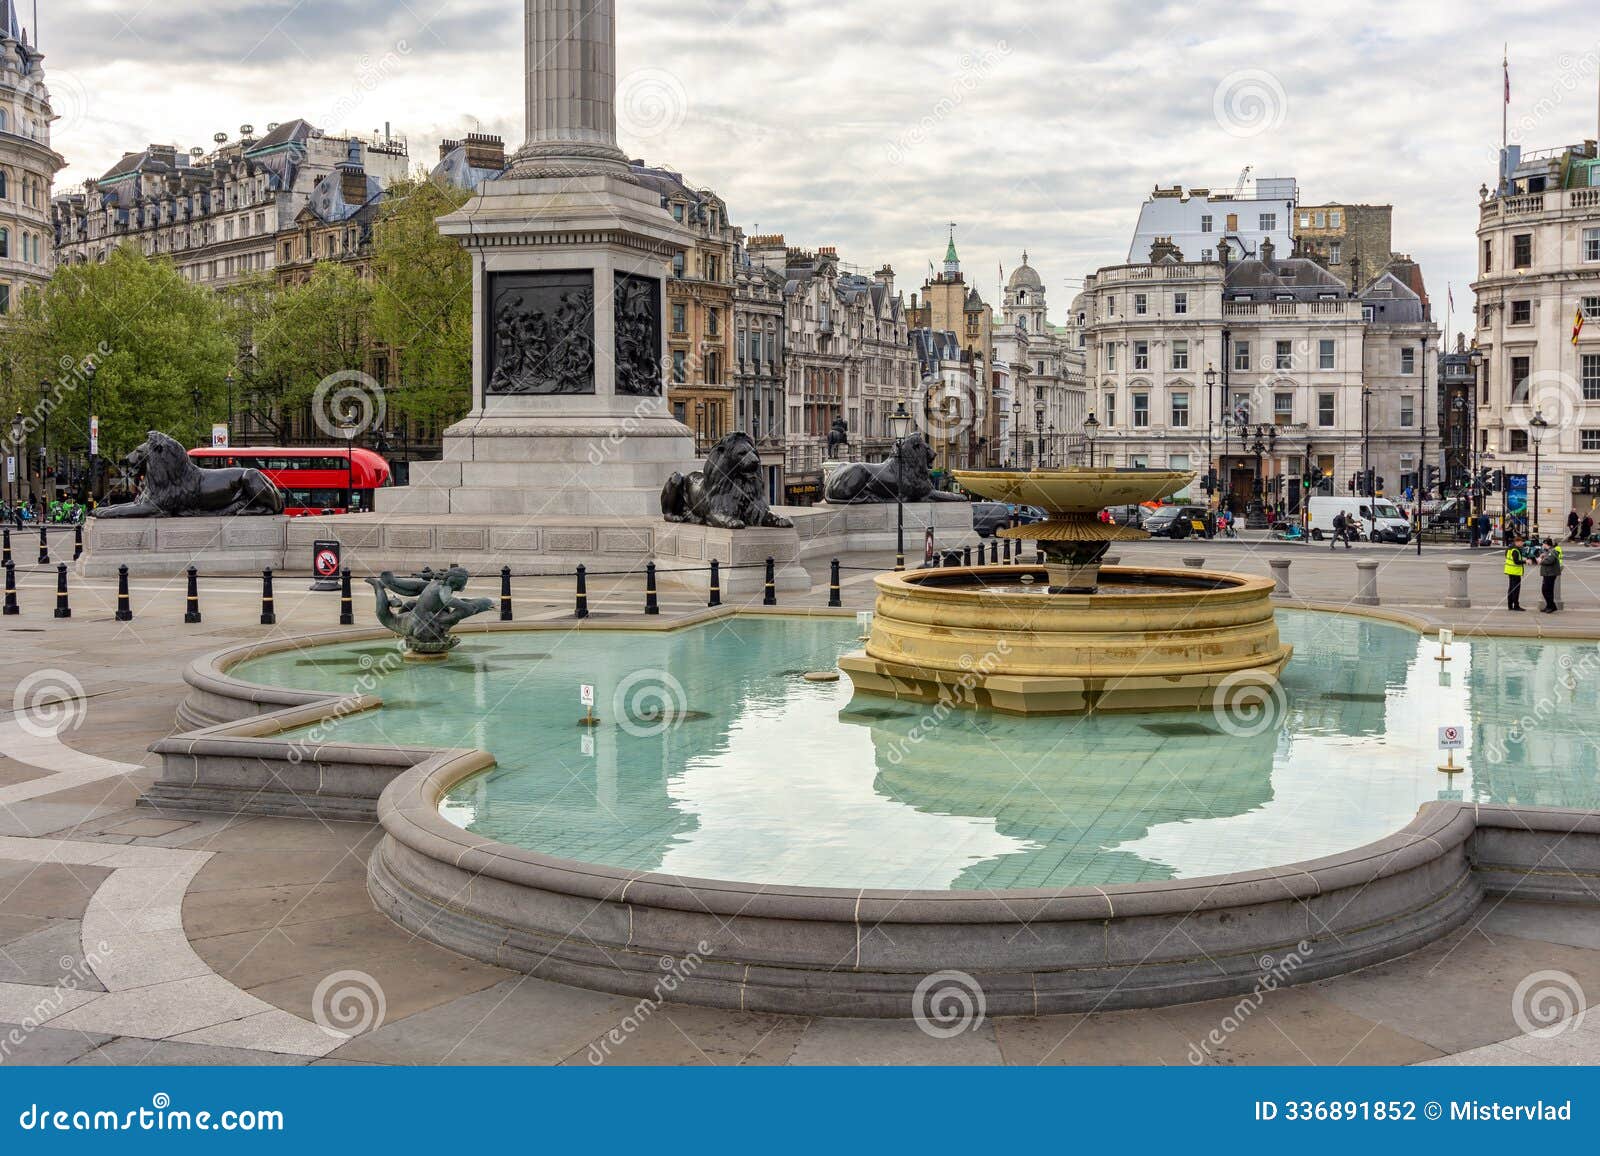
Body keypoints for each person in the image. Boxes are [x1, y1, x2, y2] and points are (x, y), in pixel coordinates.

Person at [1540, 537, 1563, 613]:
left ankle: (1551, 606)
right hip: (1547, 573)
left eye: (1543, 544)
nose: (1542, 545)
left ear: (1546, 544)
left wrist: (1541, 561)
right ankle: (1550, 606)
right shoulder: (1547, 551)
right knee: (1545, 590)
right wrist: (1542, 556)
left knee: (1547, 590)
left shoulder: (1553, 551)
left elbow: (1550, 561)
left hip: (1550, 574)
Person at [1505, 535, 1526, 612]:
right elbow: (1516, 561)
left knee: (1511, 589)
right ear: (1517, 542)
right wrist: (1525, 561)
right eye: (1521, 542)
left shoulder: (1510, 548)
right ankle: (1516, 606)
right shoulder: (1515, 550)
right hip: (1515, 571)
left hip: (1510, 571)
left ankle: (1510, 605)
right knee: (1515, 590)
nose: (1522, 543)